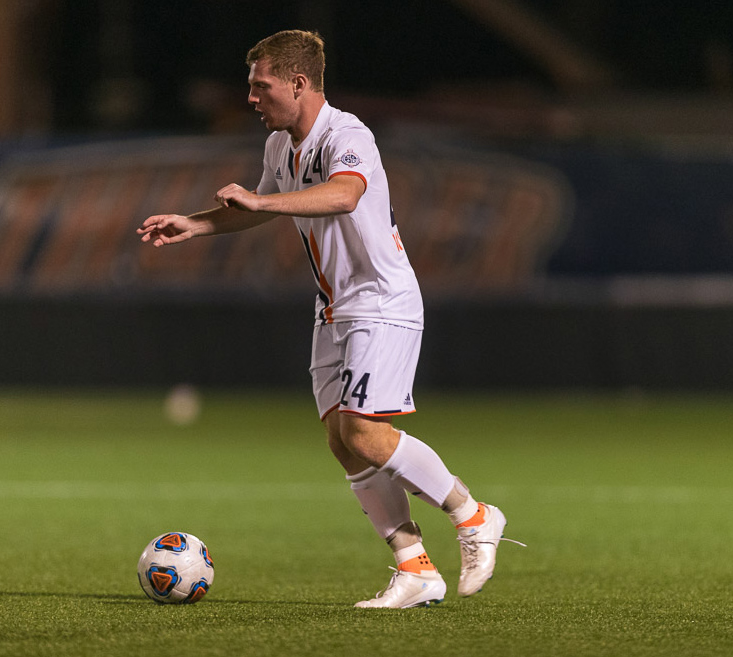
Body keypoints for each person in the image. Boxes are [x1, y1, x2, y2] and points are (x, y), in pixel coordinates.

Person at [138, 29, 517, 608]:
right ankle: (415, 569)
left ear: (298, 83)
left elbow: (343, 195)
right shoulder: (278, 146)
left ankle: (474, 515)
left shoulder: (347, 134)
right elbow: (256, 209)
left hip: (380, 300)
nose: (251, 98)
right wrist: (196, 224)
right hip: (333, 306)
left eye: (261, 86)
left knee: (365, 433)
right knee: (344, 442)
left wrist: (262, 201)